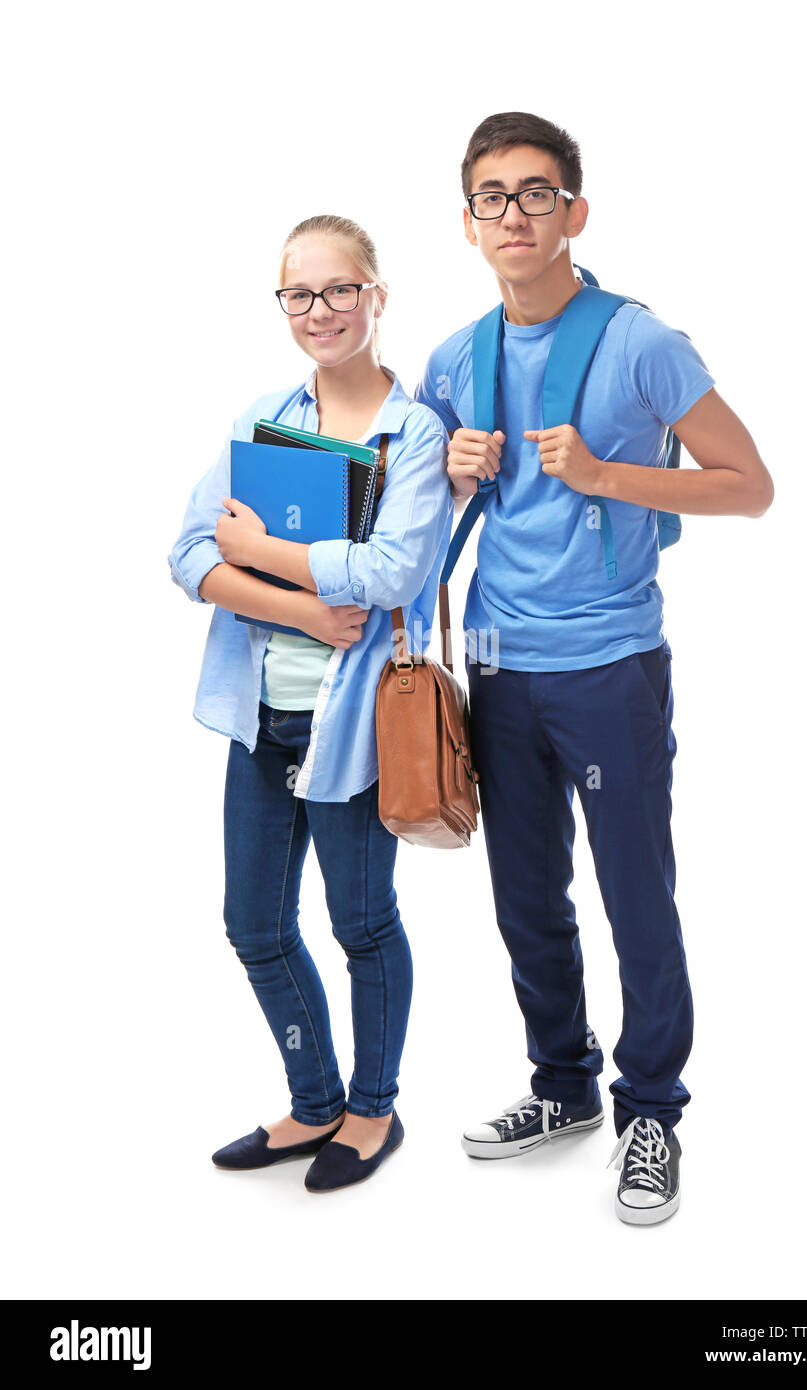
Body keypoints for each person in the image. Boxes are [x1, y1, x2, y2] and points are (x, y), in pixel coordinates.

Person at [415, 112, 774, 1224]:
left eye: (534, 193)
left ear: (575, 211)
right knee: (525, 898)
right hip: (497, 666)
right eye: (490, 196)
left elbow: (748, 484)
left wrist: (614, 476)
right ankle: (561, 1084)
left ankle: (650, 1108)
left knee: (633, 897)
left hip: (609, 665)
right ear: (467, 224)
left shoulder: (639, 341)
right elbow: (409, 514)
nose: (512, 214)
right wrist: (456, 471)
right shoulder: (453, 356)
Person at [168, 214, 452, 1193]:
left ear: (376, 296)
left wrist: (264, 551)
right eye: (299, 293)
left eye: (338, 291)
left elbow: (388, 570)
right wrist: (295, 599)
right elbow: (187, 553)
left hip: (354, 729)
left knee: (361, 920)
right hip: (260, 722)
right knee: (252, 922)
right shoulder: (262, 418)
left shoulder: (412, 435)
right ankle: (313, 1097)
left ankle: (372, 1110)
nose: (319, 311)